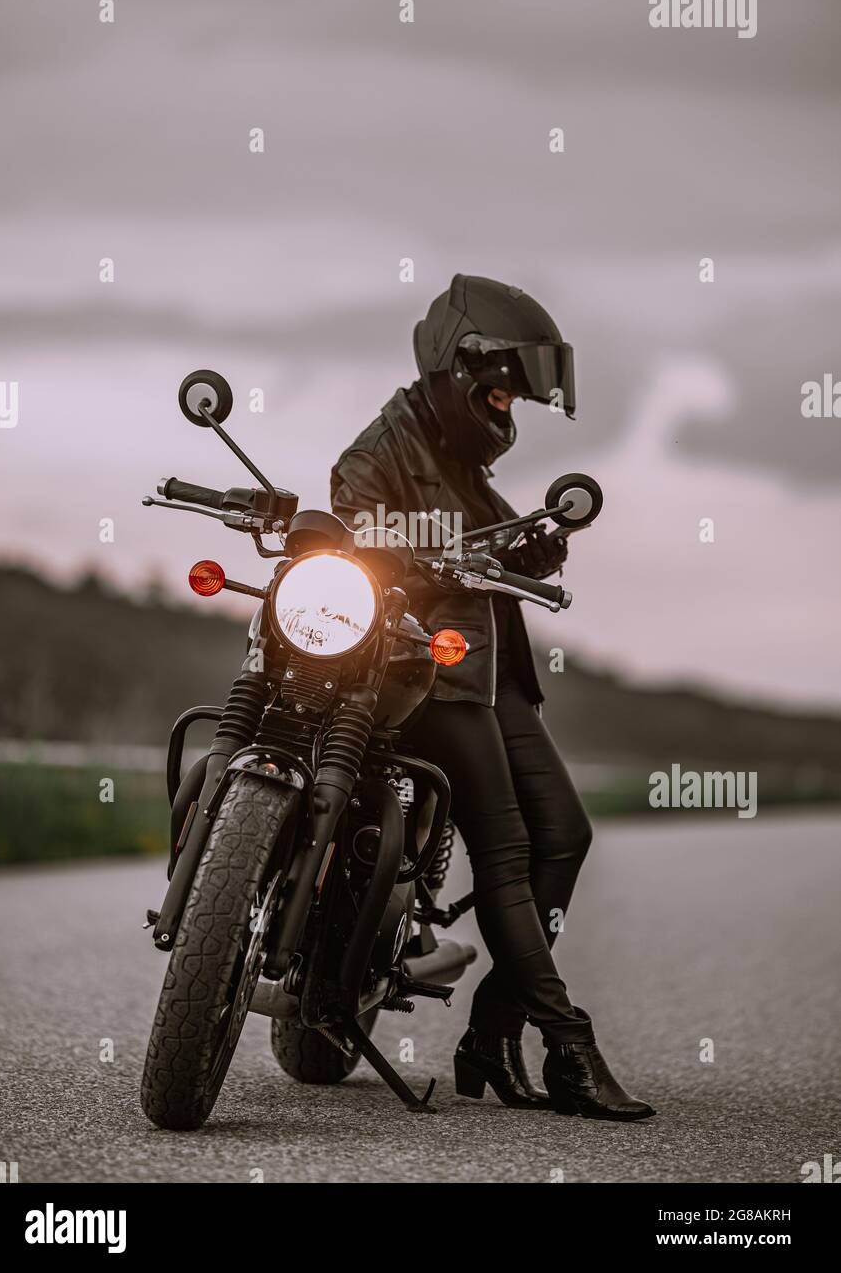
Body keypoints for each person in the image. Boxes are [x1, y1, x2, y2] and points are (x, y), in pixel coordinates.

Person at [330, 274, 654, 1120]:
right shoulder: (382, 452)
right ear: (455, 366)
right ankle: (567, 1047)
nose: (510, 405)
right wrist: (413, 558)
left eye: (518, 390)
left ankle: (492, 1031)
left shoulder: (461, 457)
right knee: (508, 856)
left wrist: (535, 550)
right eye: (502, 385)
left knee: (566, 836)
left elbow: (495, 540)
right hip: (427, 678)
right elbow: (363, 539)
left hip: (492, 677)